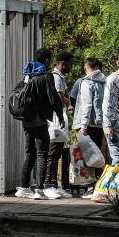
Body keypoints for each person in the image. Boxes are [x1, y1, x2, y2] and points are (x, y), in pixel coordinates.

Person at [14, 48, 65, 200]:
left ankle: (23, 188)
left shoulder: (28, 74)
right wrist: (60, 116)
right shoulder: (46, 76)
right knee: (42, 153)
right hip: (39, 120)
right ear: (47, 60)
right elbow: (53, 98)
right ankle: (39, 190)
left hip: (26, 119)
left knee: (30, 153)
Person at [43, 51, 74, 198]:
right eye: (70, 63)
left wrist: (67, 100)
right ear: (63, 63)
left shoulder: (60, 77)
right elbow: (61, 99)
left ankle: (55, 184)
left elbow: (65, 97)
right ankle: (48, 184)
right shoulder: (56, 77)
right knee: (53, 153)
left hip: (60, 120)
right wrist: (67, 101)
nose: (71, 66)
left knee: (58, 153)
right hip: (55, 121)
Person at [72, 58, 108, 165]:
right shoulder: (104, 82)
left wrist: (83, 126)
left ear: (86, 68)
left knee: (87, 156)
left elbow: (86, 105)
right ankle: (97, 175)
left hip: (88, 124)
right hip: (99, 123)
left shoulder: (86, 83)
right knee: (97, 154)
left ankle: (87, 176)